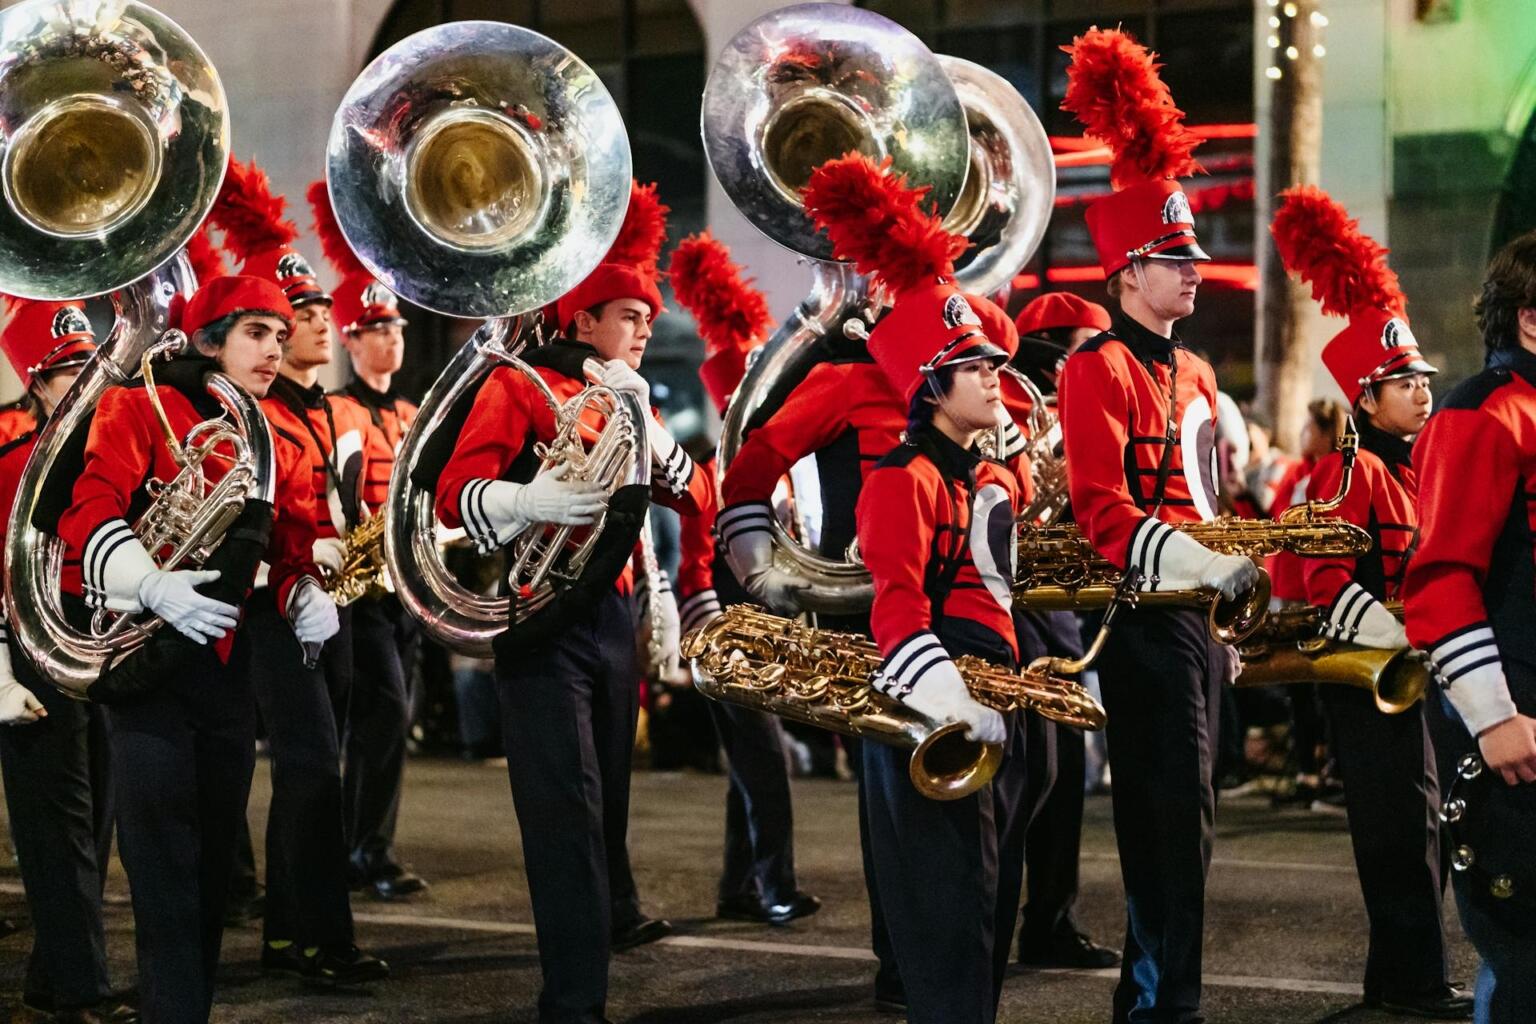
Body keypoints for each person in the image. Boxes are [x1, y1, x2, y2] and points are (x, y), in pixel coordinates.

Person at [435, 182, 712, 1023]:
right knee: (564, 818)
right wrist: (525, 503)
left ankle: (586, 975)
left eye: (644, 316)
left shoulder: (633, 403)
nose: (641, 330)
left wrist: (656, 436)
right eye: (625, 315)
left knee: (606, 817)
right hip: (542, 615)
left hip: (613, 621)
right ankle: (574, 1001)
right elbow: (453, 495)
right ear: (583, 322)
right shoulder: (520, 388)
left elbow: (700, 496)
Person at [54, 271, 339, 1023]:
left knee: (213, 868)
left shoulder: (270, 432)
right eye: (256, 332)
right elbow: (89, 512)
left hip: (224, 667)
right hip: (146, 661)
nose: (275, 349)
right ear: (210, 339)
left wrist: (300, 593)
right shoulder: (139, 402)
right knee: (164, 869)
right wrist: (148, 582)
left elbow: (281, 545)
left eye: (282, 335)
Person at [1056, 29, 1259, 1023]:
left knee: (1197, 824)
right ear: (1126, 270)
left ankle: (1167, 998)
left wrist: (1236, 577)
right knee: (1164, 826)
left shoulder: (1194, 375)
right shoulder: (1095, 366)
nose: (1197, 269)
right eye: (1175, 257)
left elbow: (1206, 499)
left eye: (1193, 253)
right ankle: (1155, 1008)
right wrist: (1199, 568)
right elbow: (1104, 512)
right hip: (1141, 618)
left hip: (1196, 621)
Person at [1270, 185, 1470, 1018]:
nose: (1420, 392)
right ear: (1365, 398)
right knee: (1397, 834)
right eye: (1401, 382)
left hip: (1411, 670)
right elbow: (1321, 583)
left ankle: (1397, 975)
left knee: (1417, 829)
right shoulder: (1351, 474)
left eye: (1421, 379)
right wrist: (1407, 637)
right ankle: (1413, 981)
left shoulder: (1415, 468)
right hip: (1371, 677)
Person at [210, 157, 389, 984]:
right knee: (311, 767)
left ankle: (295, 931)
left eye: (302, 320)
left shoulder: (323, 411)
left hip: (332, 604)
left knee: (319, 770)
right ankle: (315, 937)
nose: (301, 330)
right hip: (269, 612)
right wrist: (297, 572)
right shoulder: (248, 415)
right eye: (281, 322)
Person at [667, 231, 820, 926]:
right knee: (766, 766)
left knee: (752, 768)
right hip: (731, 631)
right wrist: (702, 628)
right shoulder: (716, 469)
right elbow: (695, 560)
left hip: (771, 627)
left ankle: (739, 886)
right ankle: (775, 886)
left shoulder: (779, 466)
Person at [1404, 229, 1536, 1024]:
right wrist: (1492, 717)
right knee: (1525, 954)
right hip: (1514, 713)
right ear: (1530, 320)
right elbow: (1443, 576)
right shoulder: (1483, 410)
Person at [0, 296, 138, 1024]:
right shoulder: (11, 463)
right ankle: (82, 990)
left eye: (92, 368)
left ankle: (53, 977)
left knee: (100, 816)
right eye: (66, 372)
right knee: (57, 827)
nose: (85, 384)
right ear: (38, 384)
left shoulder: (116, 453)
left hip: (104, 637)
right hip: (29, 645)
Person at [309, 179, 428, 900]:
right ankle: (359, 851)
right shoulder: (336, 409)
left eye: (398, 327)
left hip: (406, 584)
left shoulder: (413, 411)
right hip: (358, 590)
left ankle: (365, 844)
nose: (393, 337)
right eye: (378, 327)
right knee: (377, 718)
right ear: (350, 338)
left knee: (393, 718)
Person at [1007, 292, 1121, 971]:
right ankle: (996, 918)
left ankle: (1051, 918)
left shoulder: (1082, 411)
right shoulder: (1016, 412)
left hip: (1061, 608)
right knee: (1032, 775)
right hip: (1011, 605)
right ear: (1055, 351)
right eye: (1088, 345)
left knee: (1067, 770)